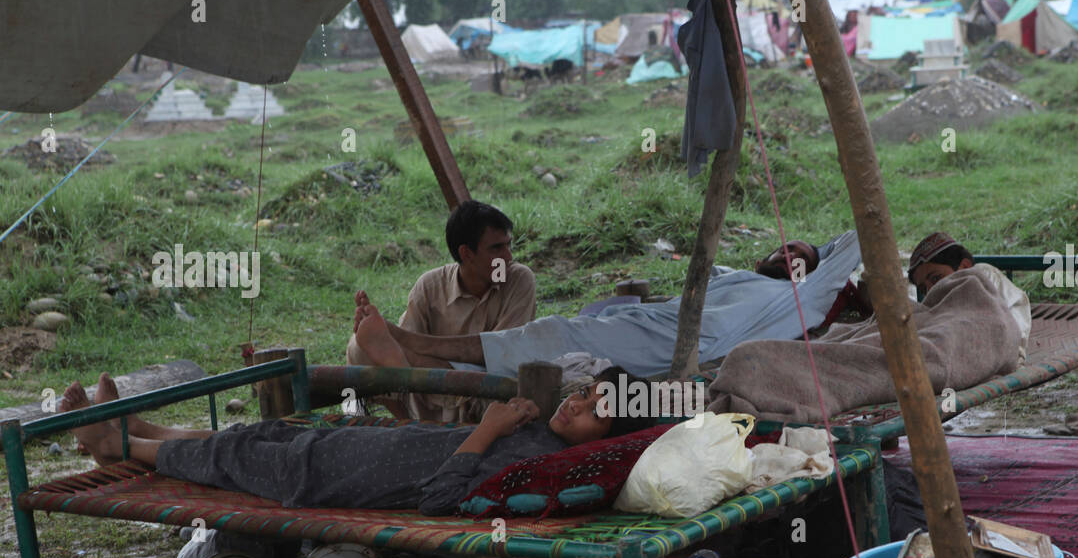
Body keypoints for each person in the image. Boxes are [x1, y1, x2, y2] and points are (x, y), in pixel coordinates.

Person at [62, 361, 653, 518]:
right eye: (585, 391)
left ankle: (120, 445)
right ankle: (138, 428)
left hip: (336, 480)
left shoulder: (541, 468)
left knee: (233, 454)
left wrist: (488, 428)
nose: (577, 402)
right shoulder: (540, 440)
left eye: (595, 409)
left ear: (605, 438)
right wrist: (507, 423)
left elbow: (442, 499)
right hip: (350, 448)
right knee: (254, 434)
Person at [349, 229, 866, 379]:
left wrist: (822, 260)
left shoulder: (803, 297)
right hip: (658, 324)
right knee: (561, 352)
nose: (786, 255)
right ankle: (418, 362)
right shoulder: (741, 278)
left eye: (799, 254)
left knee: (556, 337)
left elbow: (856, 239)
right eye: (781, 249)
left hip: (692, 345)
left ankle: (417, 345)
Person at [346, 199, 536, 423]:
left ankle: (394, 343)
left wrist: (399, 339)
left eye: (508, 245)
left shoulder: (519, 278)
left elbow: (501, 352)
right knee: (359, 347)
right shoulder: (430, 285)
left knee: (488, 368)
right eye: (496, 248)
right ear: (466, 253)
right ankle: (405, 422)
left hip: (485, 395)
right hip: (429, 396)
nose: (508, 257)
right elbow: (403, 351)